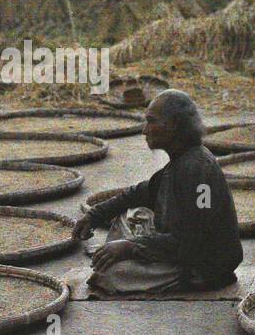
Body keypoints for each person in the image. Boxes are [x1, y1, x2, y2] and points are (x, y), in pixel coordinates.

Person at [71, 89, 242, 295]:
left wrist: (130, 246)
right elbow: (140, 193)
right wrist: (95, 214)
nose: (145, 130)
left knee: (112, 275)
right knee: (127, 215)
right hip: (180, 244)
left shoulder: (198, 171)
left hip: (204, 266)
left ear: (173, 125)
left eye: (151, 121)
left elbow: (193, 243)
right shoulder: (181, 160)